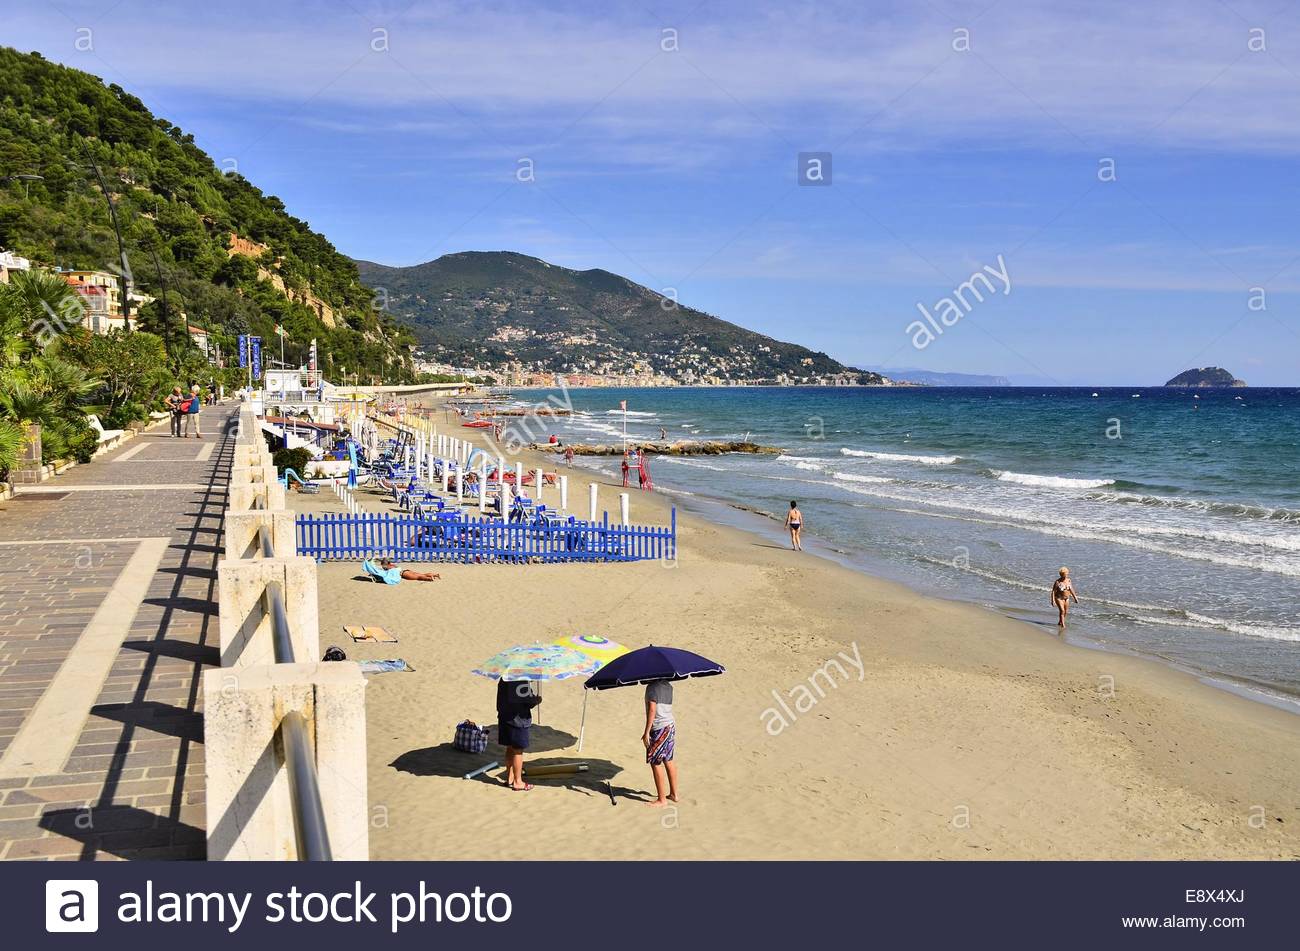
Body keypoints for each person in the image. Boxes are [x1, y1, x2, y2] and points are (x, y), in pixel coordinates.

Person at [497, 679, 542, 791]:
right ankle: (518, 781)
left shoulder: (504, 678)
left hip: (504, 717)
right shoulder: (520, 680)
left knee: (510, 747)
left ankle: (510, 778)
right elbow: (527, 700)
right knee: (518, 751)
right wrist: (536, 700)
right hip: (517, 720)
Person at [643, 678, 678, 807]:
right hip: (670, 725)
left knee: (655, 762)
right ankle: (674, 794)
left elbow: (652, 709)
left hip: (659, 728)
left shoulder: (652, 687)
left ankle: (662, 799)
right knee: (668, 759)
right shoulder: (668, 686)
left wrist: (646, 731)